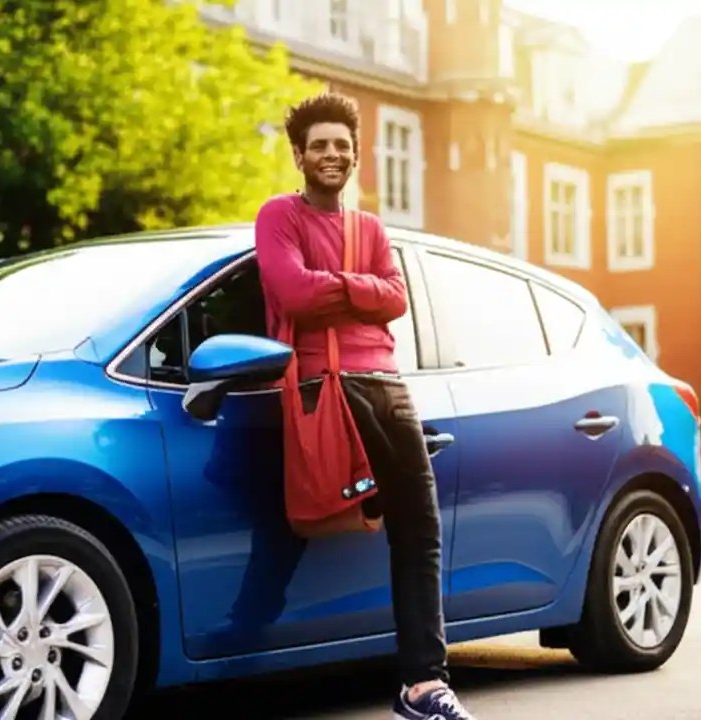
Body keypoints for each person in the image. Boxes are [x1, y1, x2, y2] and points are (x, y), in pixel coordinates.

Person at [253, 92, 475, 720]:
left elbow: (396, 298)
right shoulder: (279, 216)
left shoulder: (371, 228)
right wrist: (361, 292)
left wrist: (347, 291)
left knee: (419, 529)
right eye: (319, 145)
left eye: (342, 146)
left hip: (386, 387)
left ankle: (424, 685)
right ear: (299, 154)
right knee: (312, 517)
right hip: (324, 388)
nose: (332, 154)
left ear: (356, 157)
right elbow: (293, 294)